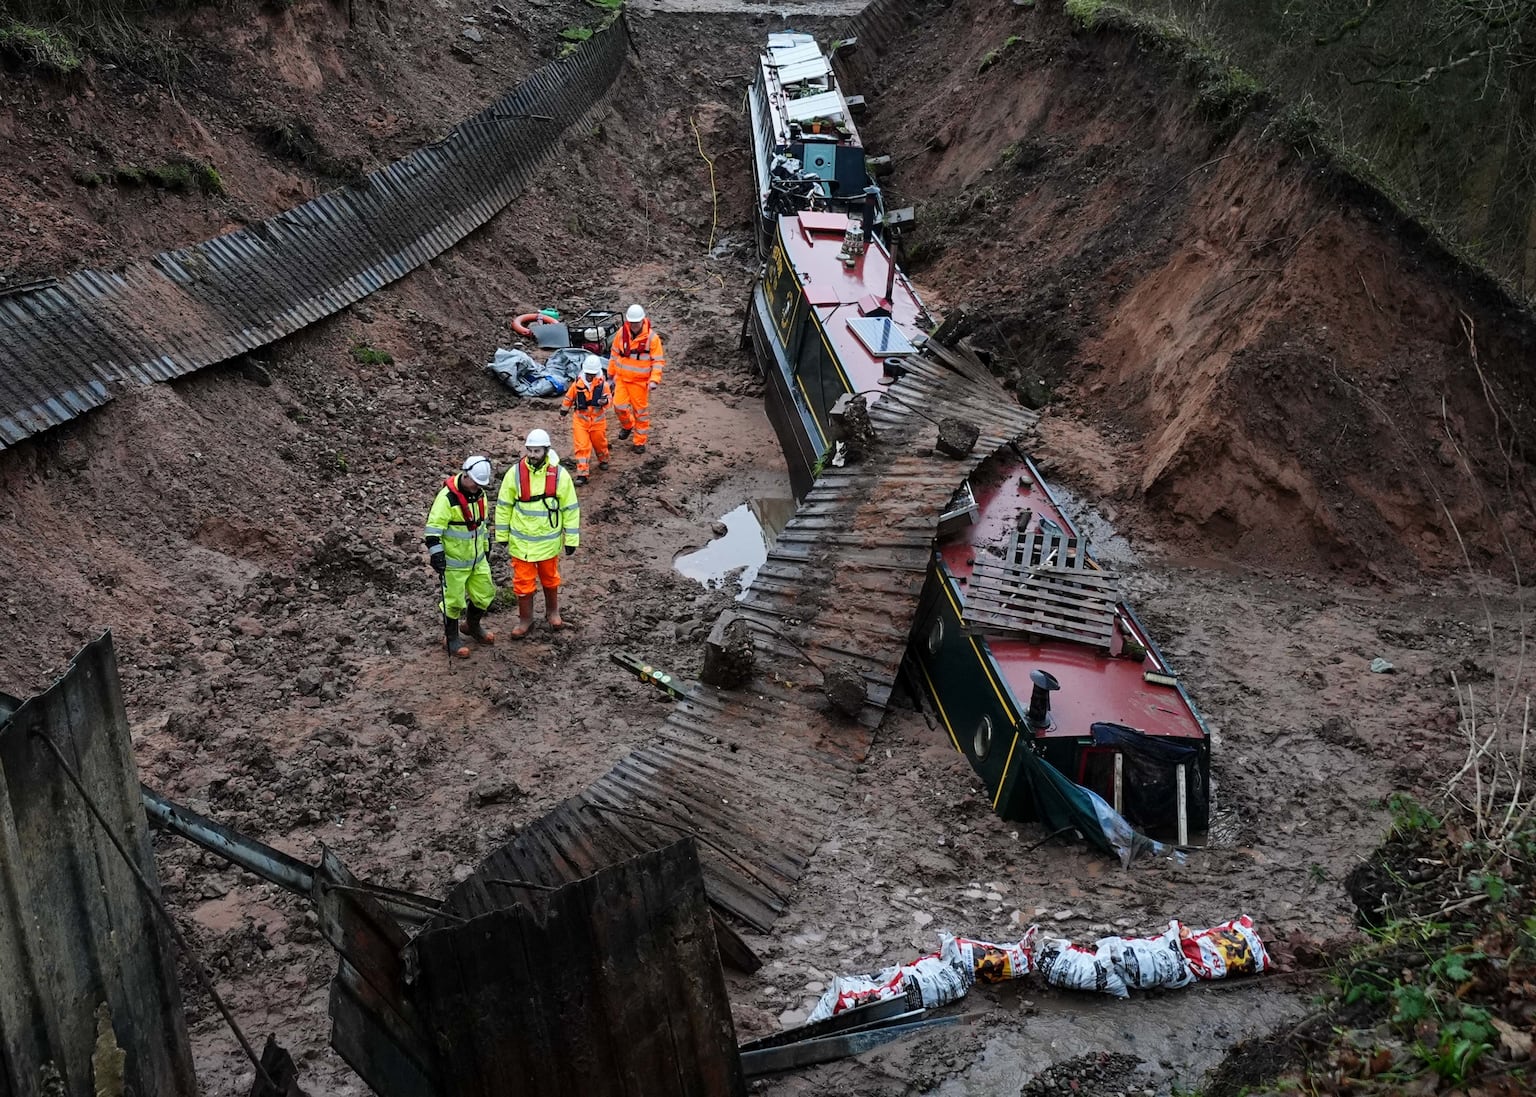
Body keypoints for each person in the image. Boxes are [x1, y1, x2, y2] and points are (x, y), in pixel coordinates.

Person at [495, 429, 580, 637]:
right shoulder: (514, 474)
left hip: (547, 543)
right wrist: (501, 535)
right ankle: (525, 620)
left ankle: (553, 613)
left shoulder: (559, 475)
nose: (532, 455)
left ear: (546, 450)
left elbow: (570, 508)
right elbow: (503, 505)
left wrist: (571, 539)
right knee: (523, 583)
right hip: (521, 543)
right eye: (530, 451)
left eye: (537, 451)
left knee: (550, 578)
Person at [424, 455, 497, 657]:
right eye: (474, 482)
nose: (476, 487)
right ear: (465, 475)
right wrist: (436, 554)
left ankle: (472, 626)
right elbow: (433, 530)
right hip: (453, 563)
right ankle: (452, 638)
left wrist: (486, 546)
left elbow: (482, 525)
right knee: (453, 601)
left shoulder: (480, 495)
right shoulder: (447, 498)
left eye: (479, 484)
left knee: (485, 594)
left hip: (477, 559)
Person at [607, 303, 666, 451]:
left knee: (640, 412)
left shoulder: (652, 338)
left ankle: (639, 442)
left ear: (642, 320)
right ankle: (628, 425)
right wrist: (611, 373)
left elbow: (658, 361)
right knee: (618, 406)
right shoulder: (621, 333)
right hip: (621, 378)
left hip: (640, 382)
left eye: (636, 323)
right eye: (631, 323)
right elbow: (614, 354)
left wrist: (654, 380)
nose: (634, 326)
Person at [559, 354, 612, 485]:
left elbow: (609, 400)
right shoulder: (578, 384)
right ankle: (582, 474)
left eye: (592, 374)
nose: (590, 376)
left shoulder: (603, 384)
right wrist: (563, 411)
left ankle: (603, 459)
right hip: (581, 421)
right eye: (588, 373)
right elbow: (569, 398)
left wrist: (604, 401)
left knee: (600, 443)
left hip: (597, 421)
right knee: (582, 446)